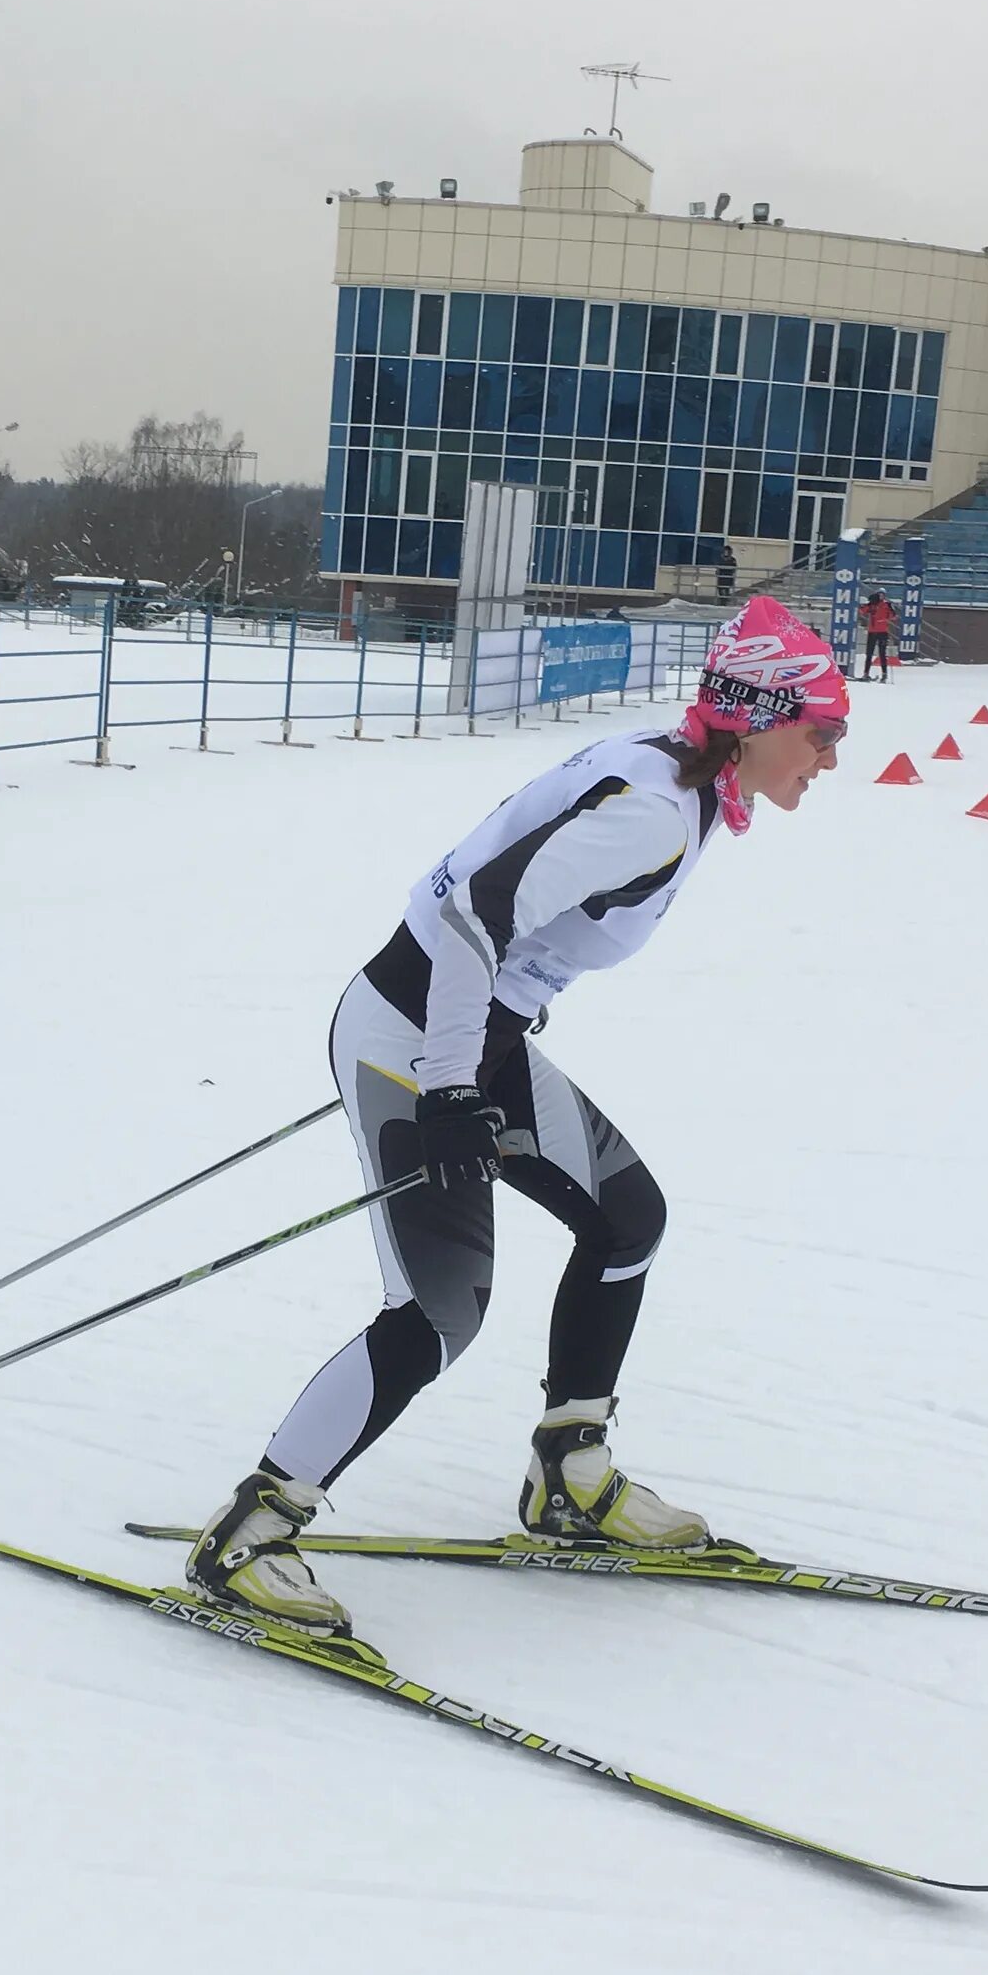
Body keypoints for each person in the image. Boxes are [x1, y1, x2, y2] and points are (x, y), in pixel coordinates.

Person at [184, 594, 850, 1638]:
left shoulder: (679, 780)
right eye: (823, 732)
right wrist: (448, 1083)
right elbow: (469, 913)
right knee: (440, 1315)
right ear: (759, 716)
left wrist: (473, 1061)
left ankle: (572, 1472)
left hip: (473, 1035)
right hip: (415, 1032)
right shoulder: (653, 807)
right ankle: (254, 1530)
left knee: (627, 1220)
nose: (830, 756)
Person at [860, 590, 897, 682]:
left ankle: (884, 674)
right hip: (872, 631)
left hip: (882, 631)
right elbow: (862, 611)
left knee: (882, 654)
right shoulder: (872, 604)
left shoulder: (887, 605)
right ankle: (866, 673)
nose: (880, 596)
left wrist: (889, 614)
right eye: (879, 594)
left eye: (882, 595)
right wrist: (867, 603)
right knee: (869, 653)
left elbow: (894, 616)